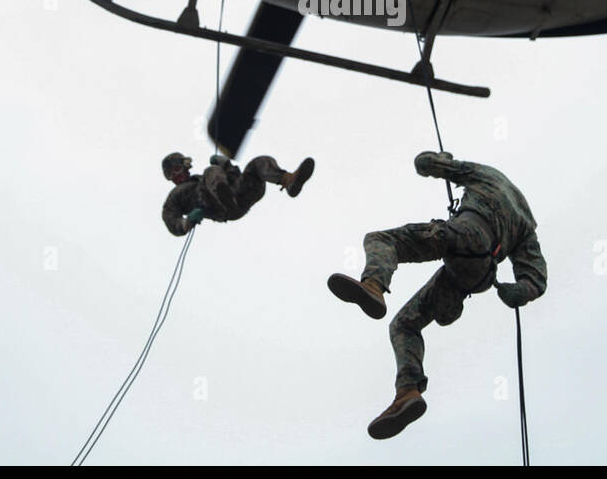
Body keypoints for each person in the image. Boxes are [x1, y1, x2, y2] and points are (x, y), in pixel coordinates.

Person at [327, 151, 547, 439]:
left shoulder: (485, 175)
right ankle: (408, 391)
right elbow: (536, 280)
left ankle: (373, 286)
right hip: (478, 274)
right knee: (403, 324)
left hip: (466, 235)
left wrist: (440, 159)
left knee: (381, 239)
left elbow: (424, 164)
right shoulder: (526, 226)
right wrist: (514, 292)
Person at [160, 151, 315, 236]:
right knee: (211, 171)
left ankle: (288, 180)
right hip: (221, 208)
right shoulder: (175, 196)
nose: (175, 176)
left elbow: (233, 177)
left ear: (186, 167)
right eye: (170, 175)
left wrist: (225, 164)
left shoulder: (204, 178)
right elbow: (170, 220)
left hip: (239, 195)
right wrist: (186, 223)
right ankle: (226, 198)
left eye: (177, 170)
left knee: (258, 162)